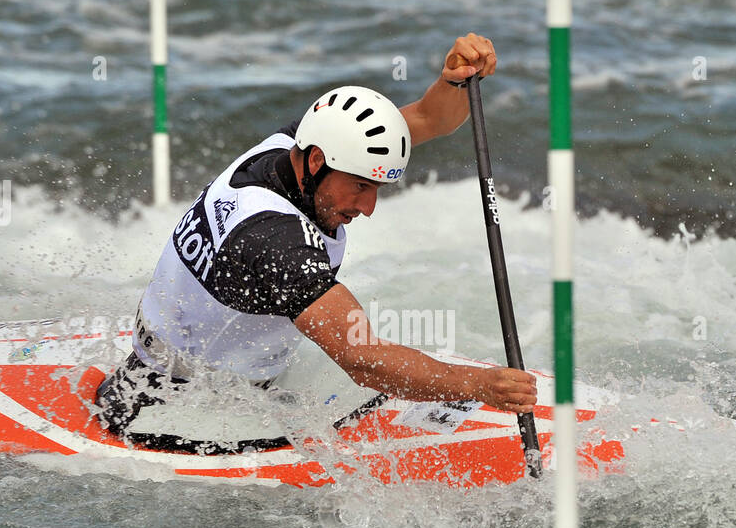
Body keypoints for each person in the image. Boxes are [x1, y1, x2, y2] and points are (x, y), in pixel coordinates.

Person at [97, 33, 537, 438]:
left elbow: (425, 118)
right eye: (361, 186)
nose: (367, 208)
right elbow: (361, 358)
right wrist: (479, 386)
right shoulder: (274, 241)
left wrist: (455, 82)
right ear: (315, 163)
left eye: (377, 188)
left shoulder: (295, 143)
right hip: (178, 409)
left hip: (221, 378)